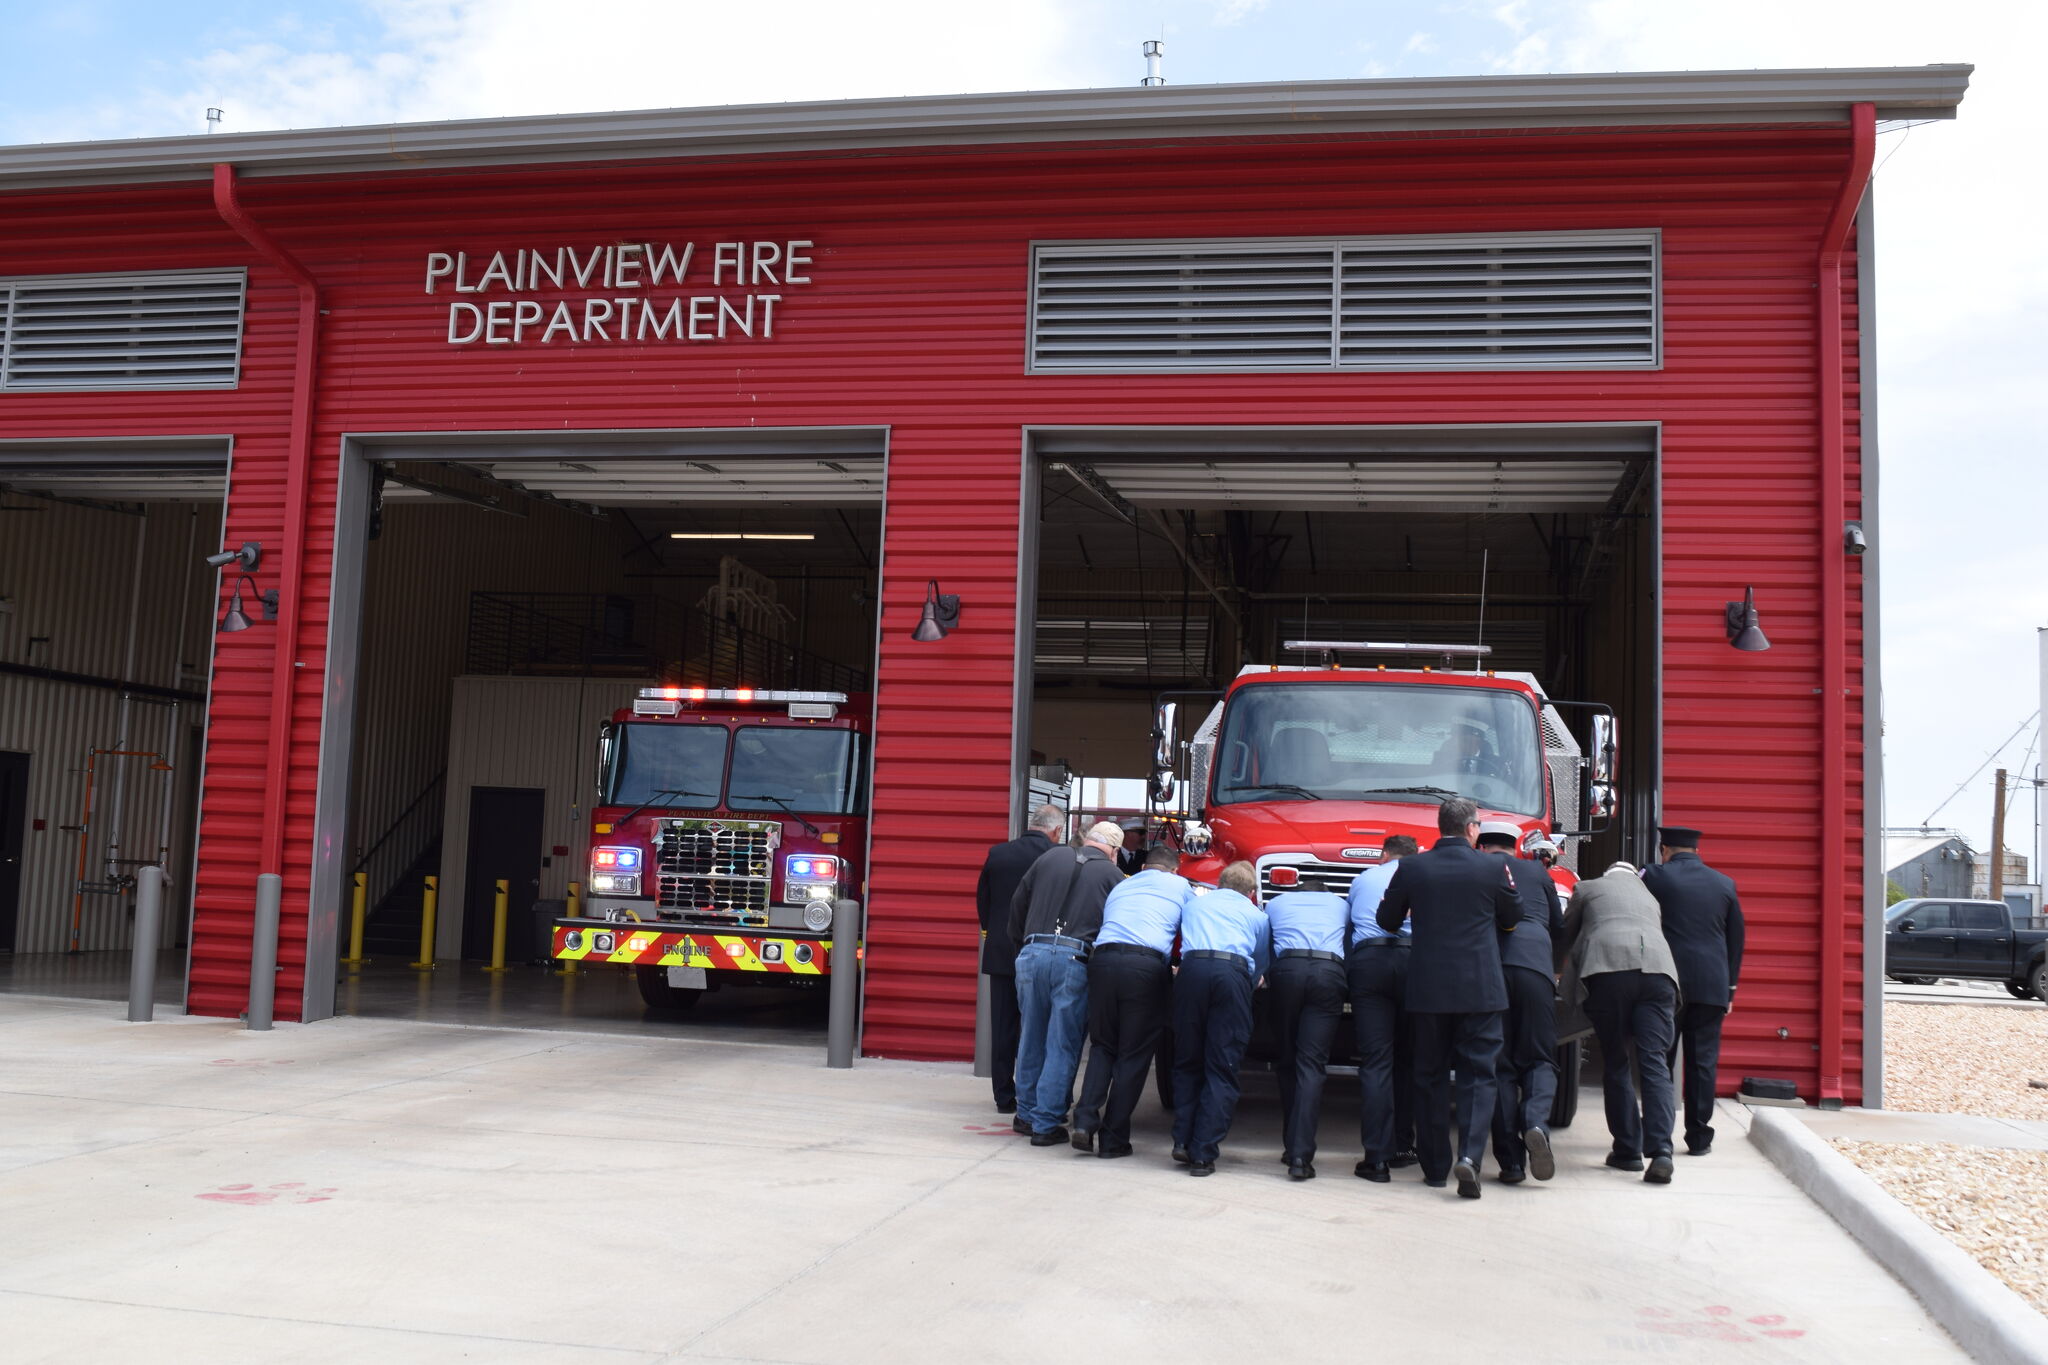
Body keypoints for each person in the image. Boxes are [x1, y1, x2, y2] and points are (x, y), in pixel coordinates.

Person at [1376, 797, 1520, 1200]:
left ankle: (1435, 1168)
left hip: (1428, 988)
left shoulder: (1412, 866)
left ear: (1441, 827)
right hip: (1480, 987)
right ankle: (1470, 1158)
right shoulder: (1493, 867)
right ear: (1472, 828)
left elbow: (1386, 920)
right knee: (1478, 1075)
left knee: (1429, 1077)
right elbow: (1513, 915)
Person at [1006, 820, 1125, 1146]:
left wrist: (1023, 947)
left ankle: (1026, 1114)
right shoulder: (1114, 877)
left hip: (1031, 952)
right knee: (1062, 1043)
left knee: (1030, 1036)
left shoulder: (1050, 857)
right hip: (1075, 959)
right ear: (1113, 851)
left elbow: (1018, 904)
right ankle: (1045, 1124)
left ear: (1088, 840)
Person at [1563, 860, 1681, 1184]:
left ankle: (1628, 1151)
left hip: (1608, 971)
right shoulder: (1650, 898)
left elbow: (1564, 934)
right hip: (1658, 974)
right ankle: (1661, 1152)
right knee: (1654, 1061)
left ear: (1607, 875)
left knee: (1616, 1061)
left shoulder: (1587, 888)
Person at [1071, 845, 1190, 1158]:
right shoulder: (1180, 886)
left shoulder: (1123, 885)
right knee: (1133, 1055)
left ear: (1145, 867)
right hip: (1144, 968)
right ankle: (1113, 1139)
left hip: (1103, 961)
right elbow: (1194, 925)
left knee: (1103, 1046)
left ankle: (1084, 1120)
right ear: (1174, 870)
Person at [1641, 826, 1745, 1156]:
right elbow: (1735, 940)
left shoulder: (1654, 876)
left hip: (1667, 983)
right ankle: (1699, 1138)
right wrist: (1729, 990)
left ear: (1665, 850)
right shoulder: (1724, 884)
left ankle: (1657, 1137)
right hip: (1712, 985)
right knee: (1703, 1063)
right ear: (1698, 852)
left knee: (1659, 1059)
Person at [1475, 821, 1566, 1184]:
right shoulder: (1538, 872)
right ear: (1517, 846)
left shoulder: (1478, 868)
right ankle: (1535, 1121)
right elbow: (1559, 927)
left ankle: (1511, 1164)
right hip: (1536, 967)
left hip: (1491, 970)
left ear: (1481, 846)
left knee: (1499, 1067)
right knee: (1540, 1058)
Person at [1171, 860, 1272, 1176]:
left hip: (1191, 971)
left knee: (1187, 1060)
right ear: (1251, 892)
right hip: (1231, 975)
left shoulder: (1194, 905)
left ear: (1220, 882)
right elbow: (1259, 965)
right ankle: (1203, 1154)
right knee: (1222, 1064)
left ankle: (1182, 1141)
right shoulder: (1258, 916)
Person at [975, 803, 1063, 1125]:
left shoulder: (998, 853)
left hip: (1001, 951)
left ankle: (1003, 1095)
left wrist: (992, 932)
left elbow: (982, 899)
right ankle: (1035, 1093)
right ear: (1056, 830)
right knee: (1038, 1025)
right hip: (1040, 952)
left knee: (1003, 1026)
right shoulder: (1056, 857)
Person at [1264, 872, 1350, 1180]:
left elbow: (1267, 943)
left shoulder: (1277, 903)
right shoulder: (1341, 904)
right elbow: (1349, 942)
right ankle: (1301, 1156)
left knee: (1287, 1060)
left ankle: (1291, 1144)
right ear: (1325, 892)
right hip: (1328, 972)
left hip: (1287, 970)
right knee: (1311, 1065)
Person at [1345, 834, 1421, 1181]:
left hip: (1370, 960)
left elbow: (1349, 927)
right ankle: (1404, 1147)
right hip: (1413, 960)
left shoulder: (1362, 878)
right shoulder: (1422, 874)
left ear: (1383, 855)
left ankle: (1375, 1159)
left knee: (1377, 1063)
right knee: (1409, 1060)